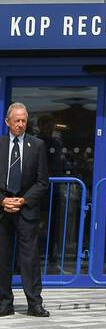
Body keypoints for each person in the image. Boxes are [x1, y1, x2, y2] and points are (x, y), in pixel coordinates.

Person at [0, 103, 50, 317]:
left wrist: (23, 200)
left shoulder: (36, 145)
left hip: (26, 210)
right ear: (7, 122)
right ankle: (4, 303)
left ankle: (34, 303)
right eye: (17, 120)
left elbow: (42, 182)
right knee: (2, 258)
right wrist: (3, 201)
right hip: (3, 210)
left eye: (24, 121)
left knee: (29, 258)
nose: (21, 124)